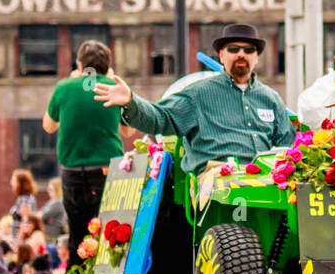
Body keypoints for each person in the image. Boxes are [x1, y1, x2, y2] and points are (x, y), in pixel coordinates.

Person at [94, 23, 296, 174]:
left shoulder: (271, 98)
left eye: (249, 50)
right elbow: (161, 118)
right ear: (221, 55)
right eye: (234, 49)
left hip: (265, 179)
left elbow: (287, 146)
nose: (241, 54)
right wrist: (131, 101)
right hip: (217, 178)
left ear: (256, 57)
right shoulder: (198, 94)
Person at [44, 39, 125, 274]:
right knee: (108, 243)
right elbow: (129, 130)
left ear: (79, 65)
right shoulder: (113, 86)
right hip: (106, 173)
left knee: (79, 244)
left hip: (72, 176)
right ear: (108, 65)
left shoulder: (64, 88)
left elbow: (48, 126)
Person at [7, 169, 38, 241]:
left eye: (14, 180)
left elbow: (26, 222)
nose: (11, 183)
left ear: (21, 183)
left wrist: (19, 240)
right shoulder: (23, 198)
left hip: (22, 240)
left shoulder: (25, 199)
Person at [40, 177, 66, 244]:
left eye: (51, 190)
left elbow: (42, 216)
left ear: (57, 190)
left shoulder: (58, 202)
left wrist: (44, 219)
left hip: (52, 237)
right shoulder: (51, 202)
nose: (48, 192)